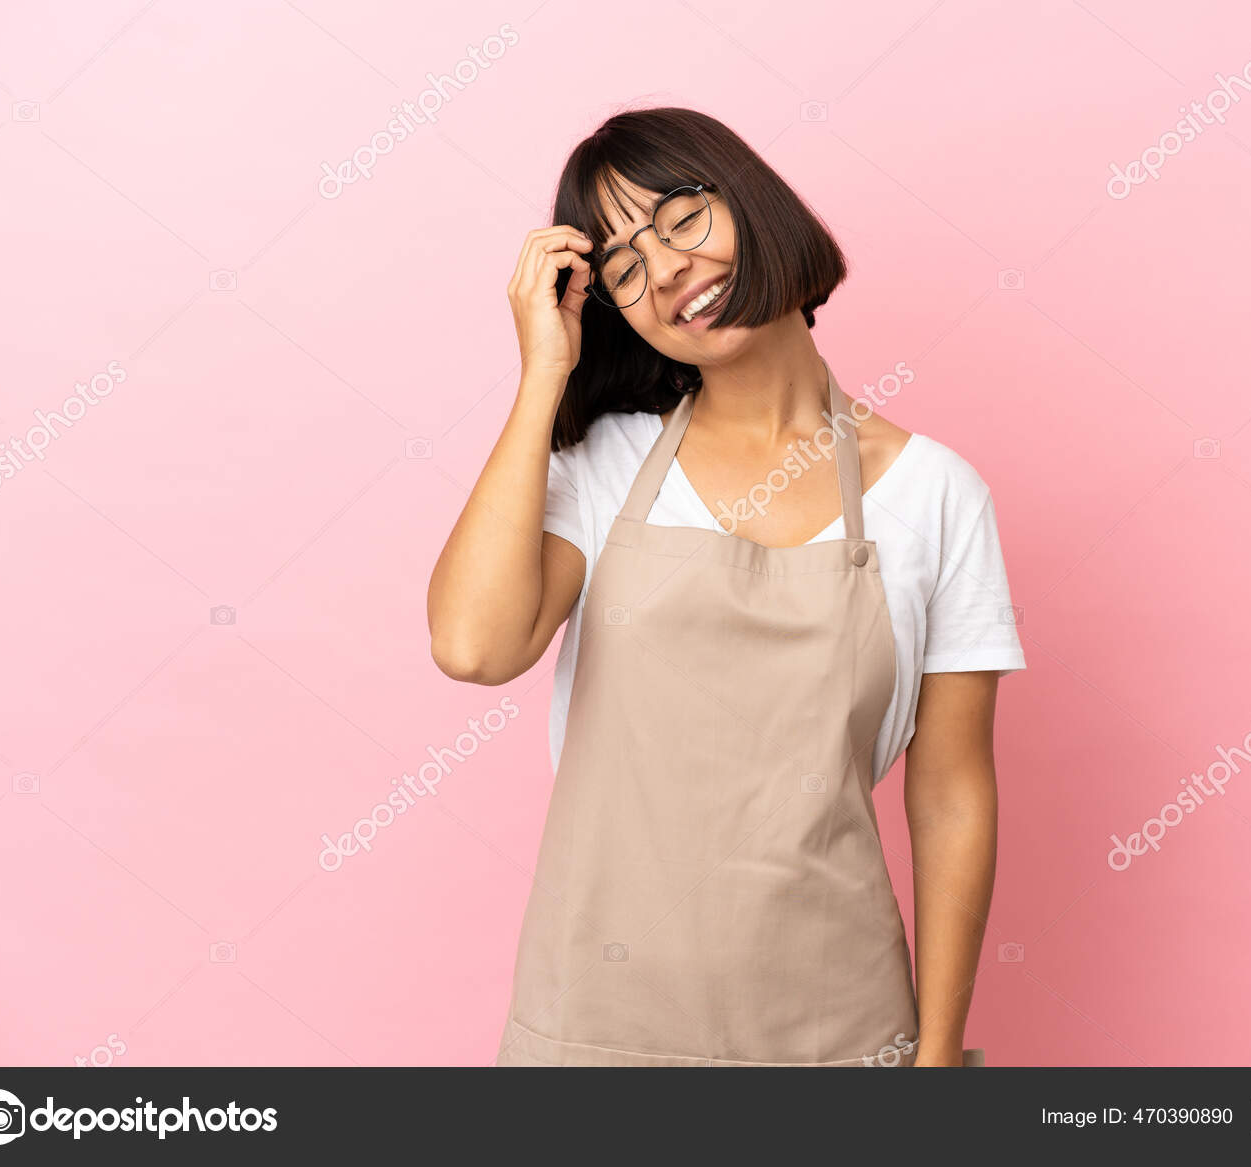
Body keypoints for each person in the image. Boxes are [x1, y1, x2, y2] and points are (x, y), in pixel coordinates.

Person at [427, 107, 1026, 1066]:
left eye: (682, 218)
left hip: (838, 1030)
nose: (664, 270)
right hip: (593, 1024)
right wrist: (544, 372)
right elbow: (473, 646)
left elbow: (952, 791)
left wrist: (940, 1058)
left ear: (751, 198)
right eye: (623, 266)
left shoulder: (936, 493)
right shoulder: (604, 463)